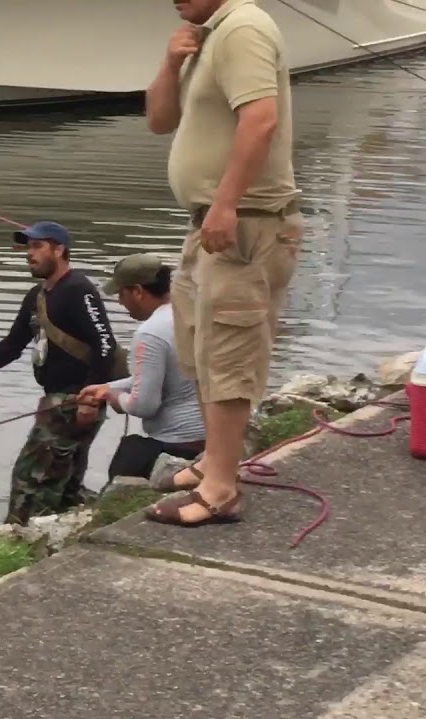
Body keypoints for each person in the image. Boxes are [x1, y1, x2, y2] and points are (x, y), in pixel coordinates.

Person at [143, 0, 303, 526]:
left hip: (245, 224)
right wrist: (169, 64)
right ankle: (213, 459)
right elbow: (159, 121)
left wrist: (228, 202)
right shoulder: (205, 34)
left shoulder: (244, 27)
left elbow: (260, 121)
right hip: (208, 224)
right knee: (201, 350)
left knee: (230, 353)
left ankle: (220, 491)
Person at [0, 221, 122, 525]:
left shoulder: (79, 290)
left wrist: (90, 399)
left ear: (59, 250)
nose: (29, 254)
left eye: (37, 246)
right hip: (57, 401)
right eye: (28, 247)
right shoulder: (37, 297)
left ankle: (18, 538)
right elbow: (12, 345)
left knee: (30, 481)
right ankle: (64, 532)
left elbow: (104, 344)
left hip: (72, 401)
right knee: (62, 482)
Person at [79, 253, 206, 483]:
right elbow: (155, 378)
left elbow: (144, 405)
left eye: (121, 294)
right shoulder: (191, 313)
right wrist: (105, 387)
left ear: (137, 291)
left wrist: (114, 397)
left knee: (128, 456)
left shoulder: (150, 333)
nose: (119, 301)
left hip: (178, 444)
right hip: (214, 437)